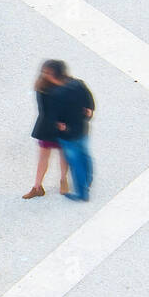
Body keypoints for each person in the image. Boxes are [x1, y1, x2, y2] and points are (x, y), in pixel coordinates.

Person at [46, 60, 95, 202]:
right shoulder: (79, 84)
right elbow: (90, 104)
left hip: (67, 134)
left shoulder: (55, 95)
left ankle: (82, 193)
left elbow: (53, 117)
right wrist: (87, 113)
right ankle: (88, 180)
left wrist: (60, 127)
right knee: (85, 155)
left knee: (75, 163)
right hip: (82, 128)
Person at [23, 62, 71, 199]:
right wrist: (57, 123)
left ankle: (63, 180)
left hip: (62, 127)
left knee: (63, 155)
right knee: (43, 157)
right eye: (45, 72)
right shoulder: (42, 86)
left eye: (49, 72)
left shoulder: (67, 85)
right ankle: (37, 186)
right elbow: (44, 110)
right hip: (48, 127)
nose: (46, 75)